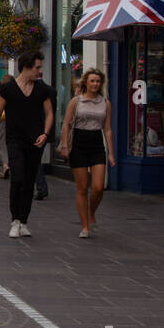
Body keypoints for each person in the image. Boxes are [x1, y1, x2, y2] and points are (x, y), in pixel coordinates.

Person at [0, 51, 54, 239]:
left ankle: (23, 221)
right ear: (26, 67)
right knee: (17, 178)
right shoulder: (8, 89)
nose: (40, 71)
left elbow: (49, 113)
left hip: (35, 141)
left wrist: (45, 133)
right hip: (15, 139)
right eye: (38, 68)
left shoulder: (42, 89)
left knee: (28, 182)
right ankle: (14, 220)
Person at [58, 69, 114, 238]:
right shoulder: (76, 101)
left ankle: (91, 211)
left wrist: (111, 153)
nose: (95, 84)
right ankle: (85, 226)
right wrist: (65, 146)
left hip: (97, 144)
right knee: (82, 188)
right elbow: (66, 124)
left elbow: (108, 129)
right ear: (86, 83)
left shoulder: (105, 103)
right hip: (79, 144)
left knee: (98, 188)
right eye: (92, 81)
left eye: (98, 81)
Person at [34, 78, 59, 200]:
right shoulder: (52, 90)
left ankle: (41, 187)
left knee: (34, 159)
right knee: (36, 158)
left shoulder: (34, 90)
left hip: (36, 130)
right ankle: (40, 187)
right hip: (47, 130)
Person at [0, 74, 13, 179]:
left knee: (0, 143)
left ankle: (5, 166)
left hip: (3, 121)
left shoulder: (2, 93)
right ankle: (8, 165)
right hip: (14, 123)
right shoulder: (17, 92)